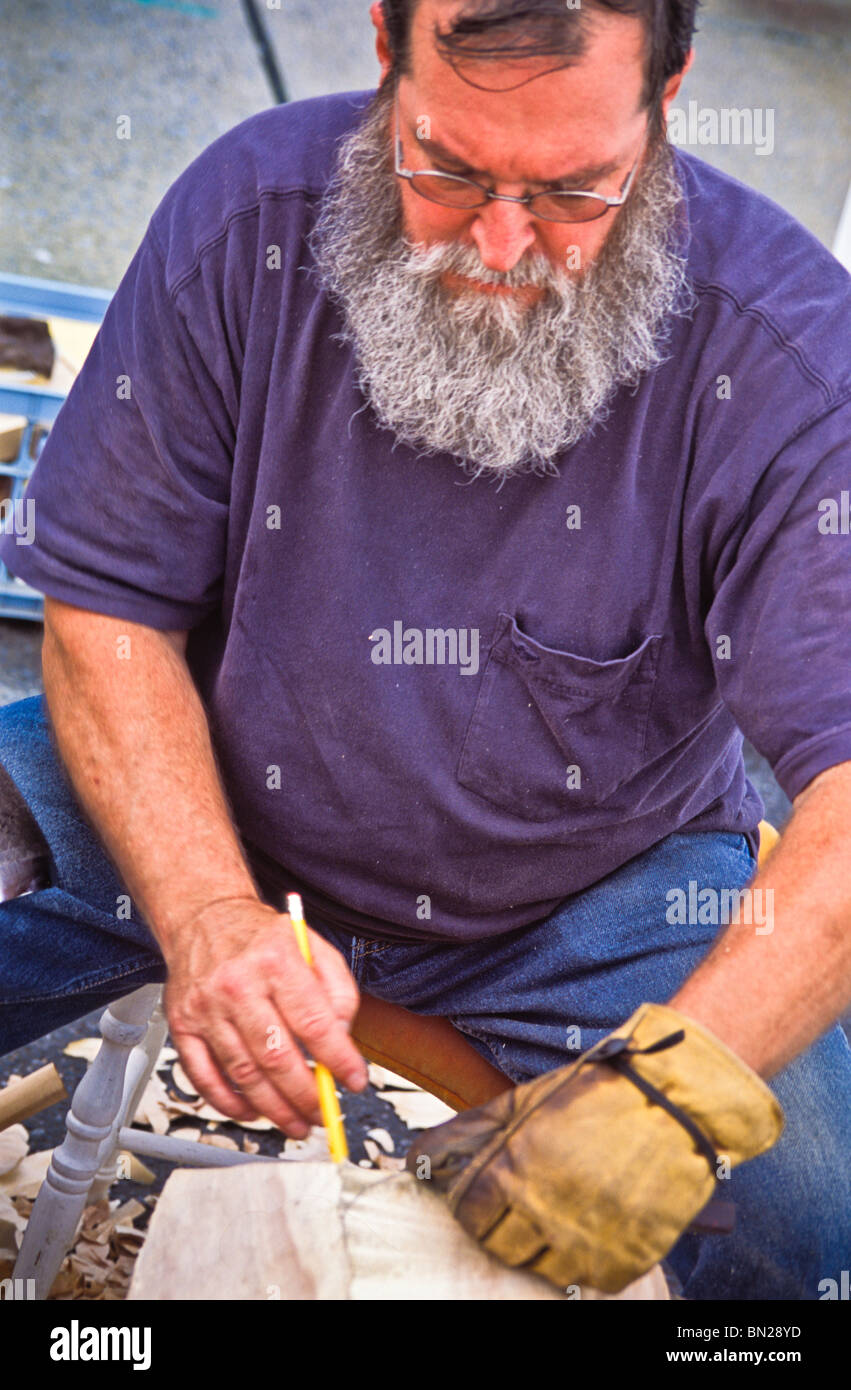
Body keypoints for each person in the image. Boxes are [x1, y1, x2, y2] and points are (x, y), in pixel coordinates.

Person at [1, 0, 849, 1300]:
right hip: (217, 777)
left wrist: (668, 1092)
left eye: (573, 192)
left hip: (593, 888)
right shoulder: (247, 214)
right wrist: (210, 909)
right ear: (384, 56)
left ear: (669, 96)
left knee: (817, 1215)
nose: (502, 248)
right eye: (446, 170)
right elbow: (107, 611)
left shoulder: (789, 356)